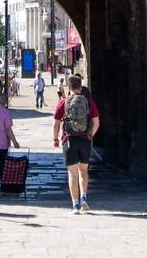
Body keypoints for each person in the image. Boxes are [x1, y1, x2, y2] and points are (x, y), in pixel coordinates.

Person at [53, 74, 100, 214]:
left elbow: (56, 124)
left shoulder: (63, 102)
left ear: (68, 87)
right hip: (84, 140)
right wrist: (90, 134)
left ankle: (75, 205)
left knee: (72, 173)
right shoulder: (88, 102)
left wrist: (55, 138)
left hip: (69, 140)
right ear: (81, 87)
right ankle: (84, 198)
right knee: (83, 171)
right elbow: (96, 122)